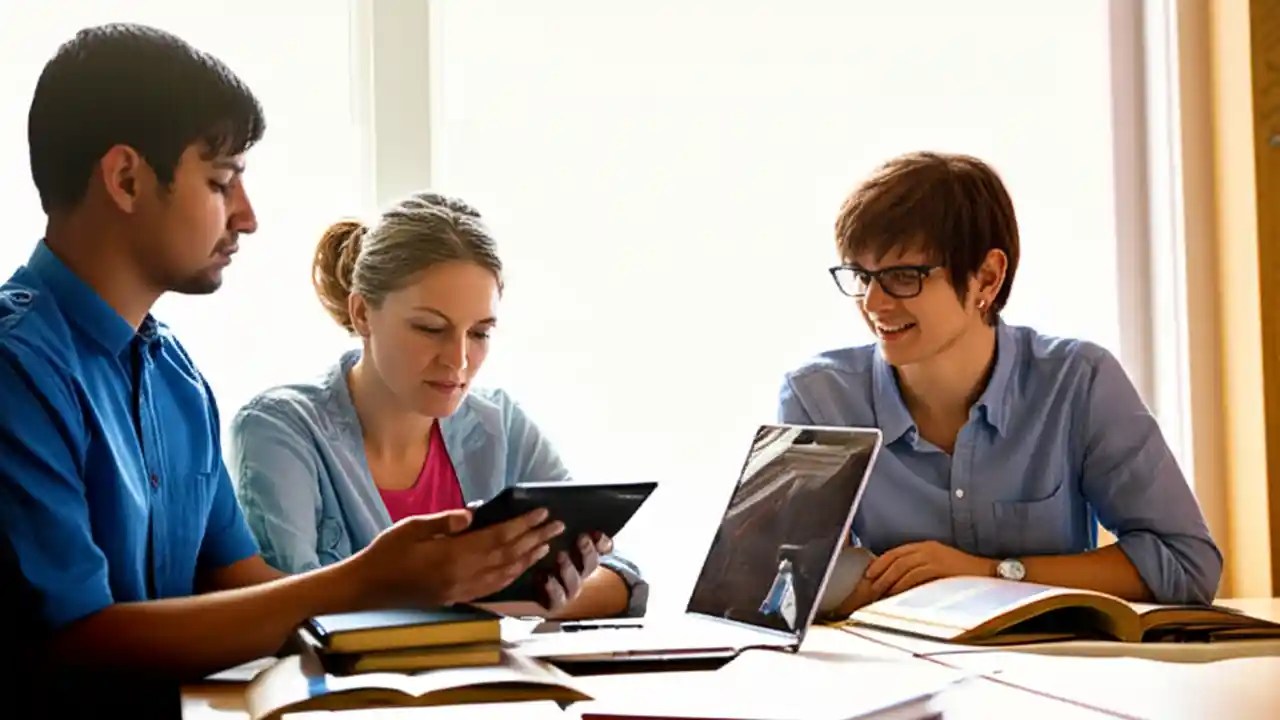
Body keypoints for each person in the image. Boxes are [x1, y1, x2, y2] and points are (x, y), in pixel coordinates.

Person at [0, 24, 565, 711]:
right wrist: (371, 578)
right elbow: (77, 643)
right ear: (126, 178)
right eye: (220, 181)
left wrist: (431, 600)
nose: (248, 216)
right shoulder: (17, 369)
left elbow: (240, 584)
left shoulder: (174, 374)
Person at [778, 151, 1222, 614]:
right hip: (891, 676)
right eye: (861, 276)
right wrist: (906, 584)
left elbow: (1186, 563)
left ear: (986, 277)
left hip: (1061, 672)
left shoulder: (1078, 382)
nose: (873, 302)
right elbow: (775, 593)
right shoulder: (817, 399)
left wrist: (990, 573)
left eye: (903, 277)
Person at [229, 191, 646, 620]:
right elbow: (284, 609)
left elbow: (622, 579)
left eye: (480, 333)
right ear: (362, 314)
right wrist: (490, 598)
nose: (458, 360)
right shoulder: (279, 430)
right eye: (430, 329)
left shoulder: (500, 425)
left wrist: (524, 597)